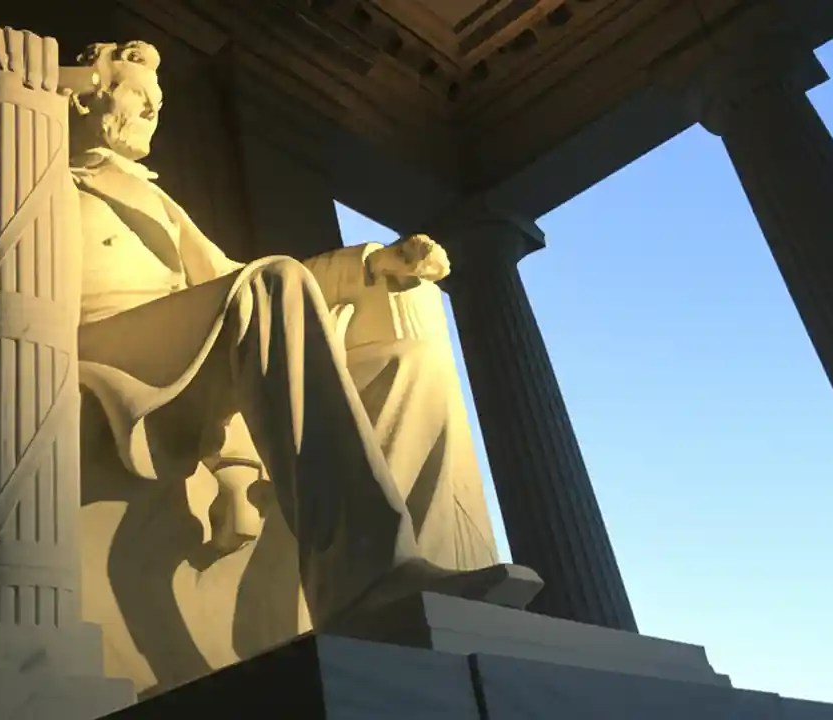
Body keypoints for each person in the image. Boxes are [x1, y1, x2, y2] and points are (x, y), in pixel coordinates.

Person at [61, 38, 537, 627]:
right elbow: (261, 289)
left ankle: (436, 594)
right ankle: (365, 578)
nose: (156, 114)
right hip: (105, 353)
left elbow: (241, 282)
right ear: (86, 97)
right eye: (141, 98)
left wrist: (369, 267)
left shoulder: (152, 196)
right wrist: (71, 74)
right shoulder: (31, 164)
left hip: (188, 343)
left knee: (409, 363)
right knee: (272, 285)